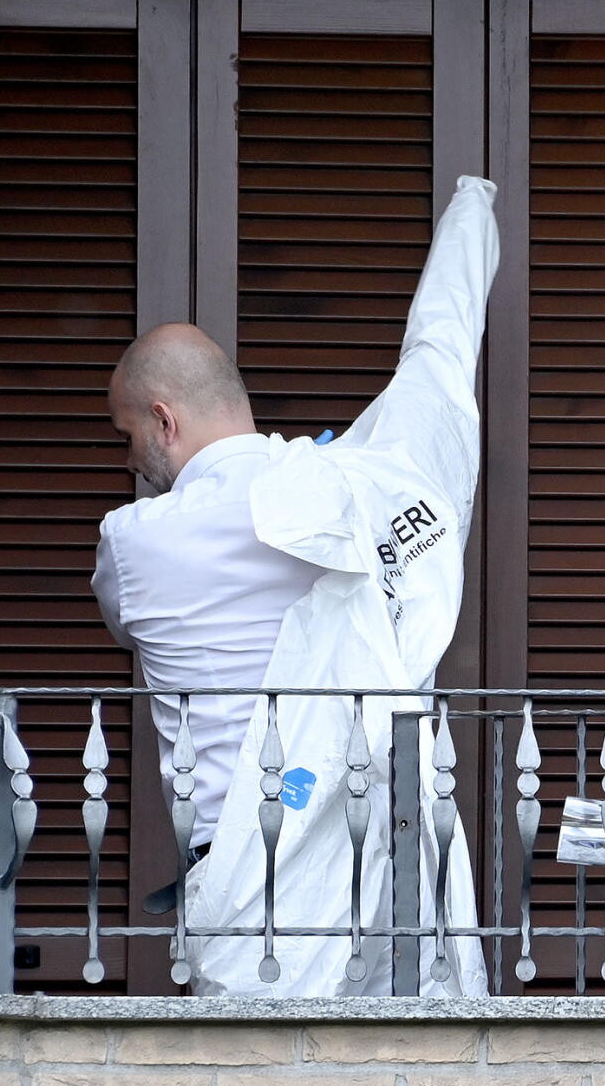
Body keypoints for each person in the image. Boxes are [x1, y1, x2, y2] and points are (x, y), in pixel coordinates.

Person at [96, 177, 497, 998]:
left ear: (165, 422)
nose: (128, 457)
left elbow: (122, 613)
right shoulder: (358, 486)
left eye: (129, 435)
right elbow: (438, 360)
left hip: (254, 876)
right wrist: (472, 214)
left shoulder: (135, 542)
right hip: (389, 856)